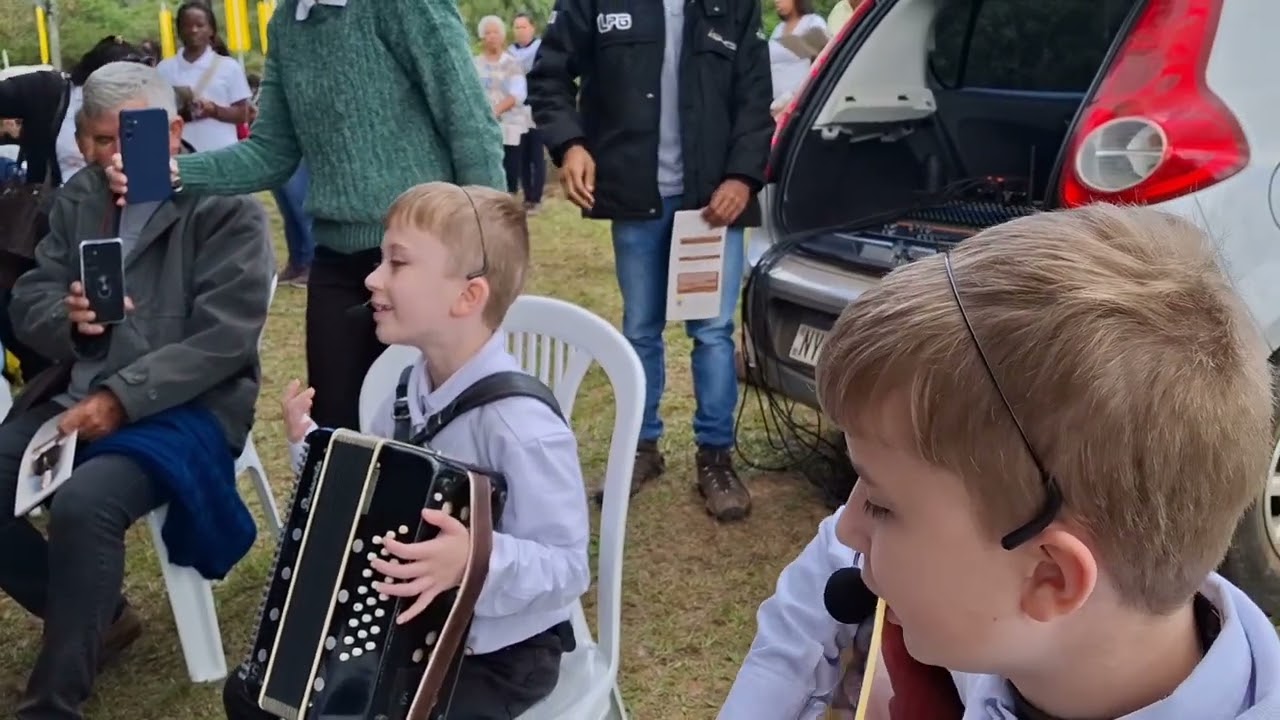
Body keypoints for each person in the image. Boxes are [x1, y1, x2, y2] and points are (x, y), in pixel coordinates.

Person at [720, 204, 1280, 719]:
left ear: (1050, 576)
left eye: (884, 507)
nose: (847, 524)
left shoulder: (991, 612)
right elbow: (835, 556)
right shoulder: (1030, 613)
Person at [221, 182, 588, 719]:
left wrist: (474, 561)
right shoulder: (404, 389)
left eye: (397, 263)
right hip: (413, 625)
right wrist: (313, 451)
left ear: (467, 296)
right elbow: (380, 495)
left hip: (501, 654)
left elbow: (569, 567)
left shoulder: (522, 427)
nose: (372, 278)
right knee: (252, 697)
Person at [2, 61, 272, 720]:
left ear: (174, 130)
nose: (111, 155)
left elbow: (223, 339)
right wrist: (63, 318)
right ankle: (101, 615)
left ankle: (53, 702)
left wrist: (121, 400)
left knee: (86, 503)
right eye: (97, 140)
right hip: (78, 389)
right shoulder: (79, 196)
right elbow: (31, 295)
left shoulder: (225, 202)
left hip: (188, 405)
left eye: (130, 138)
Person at [106, 0, 506, 433]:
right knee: (337, 427)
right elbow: (271, 152)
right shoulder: (286, 25)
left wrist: (487, 254)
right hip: (336, 259)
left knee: (440, 423)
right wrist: (177, 172)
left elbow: (469, 124)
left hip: (428, 255)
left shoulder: (405, 7)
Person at [529, 0, 774, 521]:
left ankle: (716, 456)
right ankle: (641, 448)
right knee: (640, 329)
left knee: (712, 332)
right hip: (635, 198)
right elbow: (549, 73)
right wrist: (570, 143)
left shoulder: (733, 6)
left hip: (712, 204)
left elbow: (756, 96)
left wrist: (741, 176)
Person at [155, 1, 253, 152]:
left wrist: (214, 110)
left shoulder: (229, 67)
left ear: (211, 30)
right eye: (187, 25)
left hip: (222, 152)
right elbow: (156, 113)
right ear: (179, 30)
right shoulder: (164, 69)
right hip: (181, 155)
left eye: (200, 25)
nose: (193, 30)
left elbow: (242, 114)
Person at [475, 16, 533, 198]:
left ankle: (510, 205)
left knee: (510, 170)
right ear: (482, 37)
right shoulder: (474, 63)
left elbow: (518, 94)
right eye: (487, 33)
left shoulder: (512, 63)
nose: (492, 36)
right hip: (483, 127)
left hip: (510, 126)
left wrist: (494, 111)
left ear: (502, 36)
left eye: (495, 32)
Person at [508, 12, 545, 214]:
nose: (520, 31)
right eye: (516, 27)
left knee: (536, 154)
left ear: (532, 28)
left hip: (536, 107)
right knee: (520, 155)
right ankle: (526, 197)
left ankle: (536, 198)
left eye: (523, 27)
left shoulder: (541, 49)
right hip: (516, 111)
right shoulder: (509, 53)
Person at [768, 0, 828, 116]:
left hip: (799, 103)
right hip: (775, 104)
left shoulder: (812, 22)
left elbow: (823, 58)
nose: (777, 1)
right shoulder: (778, 29)